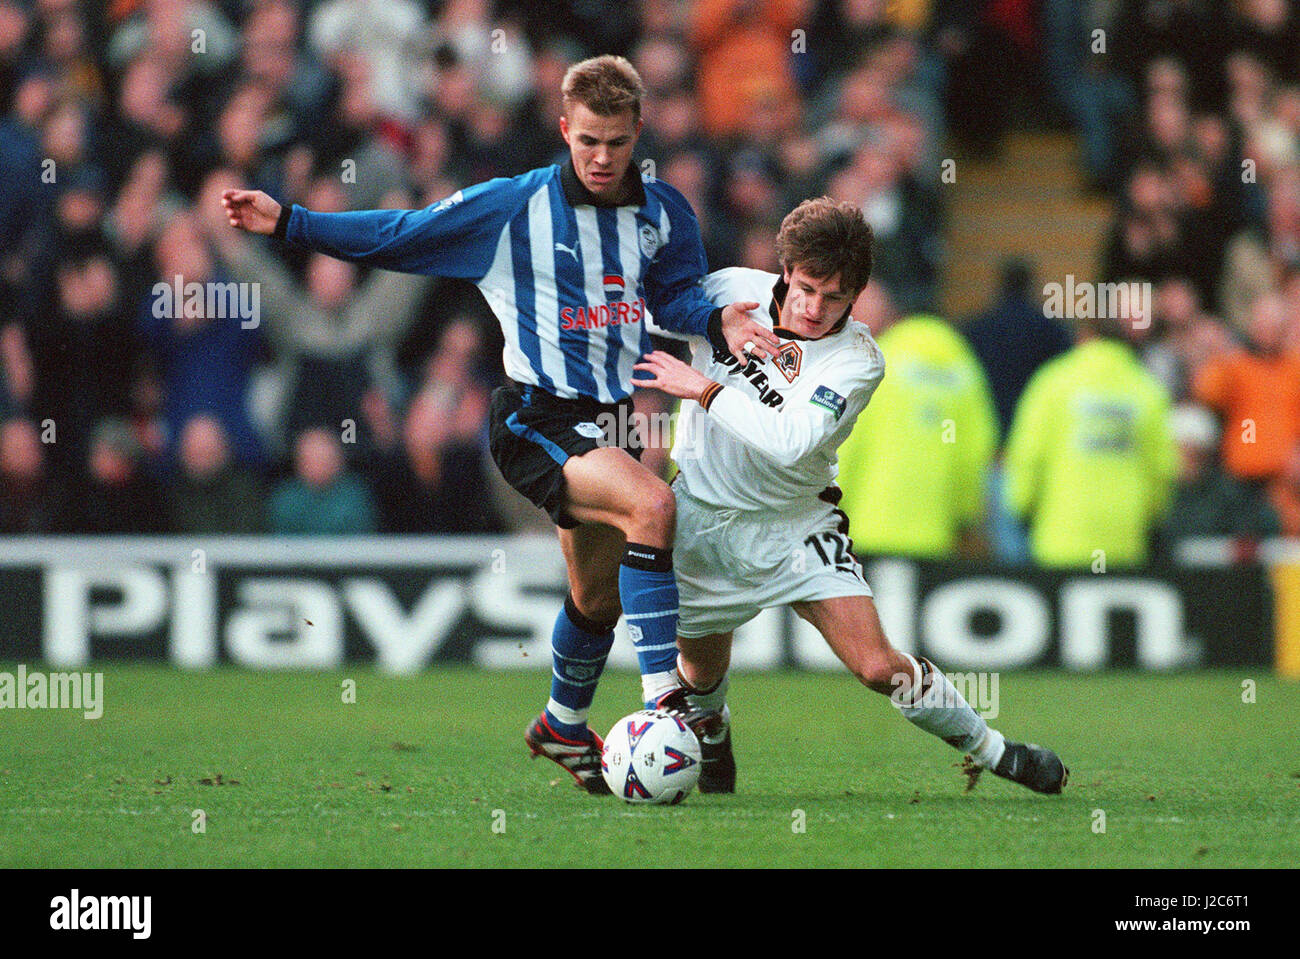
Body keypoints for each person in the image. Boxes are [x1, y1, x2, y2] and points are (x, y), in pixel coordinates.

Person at [221, 55, 777, 794]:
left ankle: (560, 721)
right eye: (587, 141)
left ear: (638, 130)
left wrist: (715, 320)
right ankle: (663, 705)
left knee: (597, 598)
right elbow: (401, 233)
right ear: (563, 130)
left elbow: (670, 299)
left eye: (615, 141)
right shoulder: (514, 207)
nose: (602, 157)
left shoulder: (665, 211)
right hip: (535, 416)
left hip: (611, 420)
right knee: (655, 505)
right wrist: (290, 220)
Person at [632, 197, 1068, 796]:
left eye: (834, 296)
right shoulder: (733, 290)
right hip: (703, 518)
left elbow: (789, 441)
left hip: (794, 527)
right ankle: (712, 735)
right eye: (806, 287)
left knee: (877, 667)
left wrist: (703, 389)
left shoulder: (859, 360)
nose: (814, 308)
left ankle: (995, 751)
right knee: (702, 669)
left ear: (857, 294)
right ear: (785, 269)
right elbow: (650, 310)